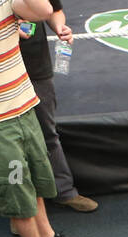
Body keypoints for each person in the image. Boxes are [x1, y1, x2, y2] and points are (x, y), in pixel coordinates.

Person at [0, 0, 92, 237]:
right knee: (18, 193)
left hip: (24, 109)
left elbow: (45, 10)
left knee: (34, 180)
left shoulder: (4, 2)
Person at [16, 0, 97, 213]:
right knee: (11, 142)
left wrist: (59, 27)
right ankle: (21, 212)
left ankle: (64, 192)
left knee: (47, 132)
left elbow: (54, 10)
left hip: (36, 66)